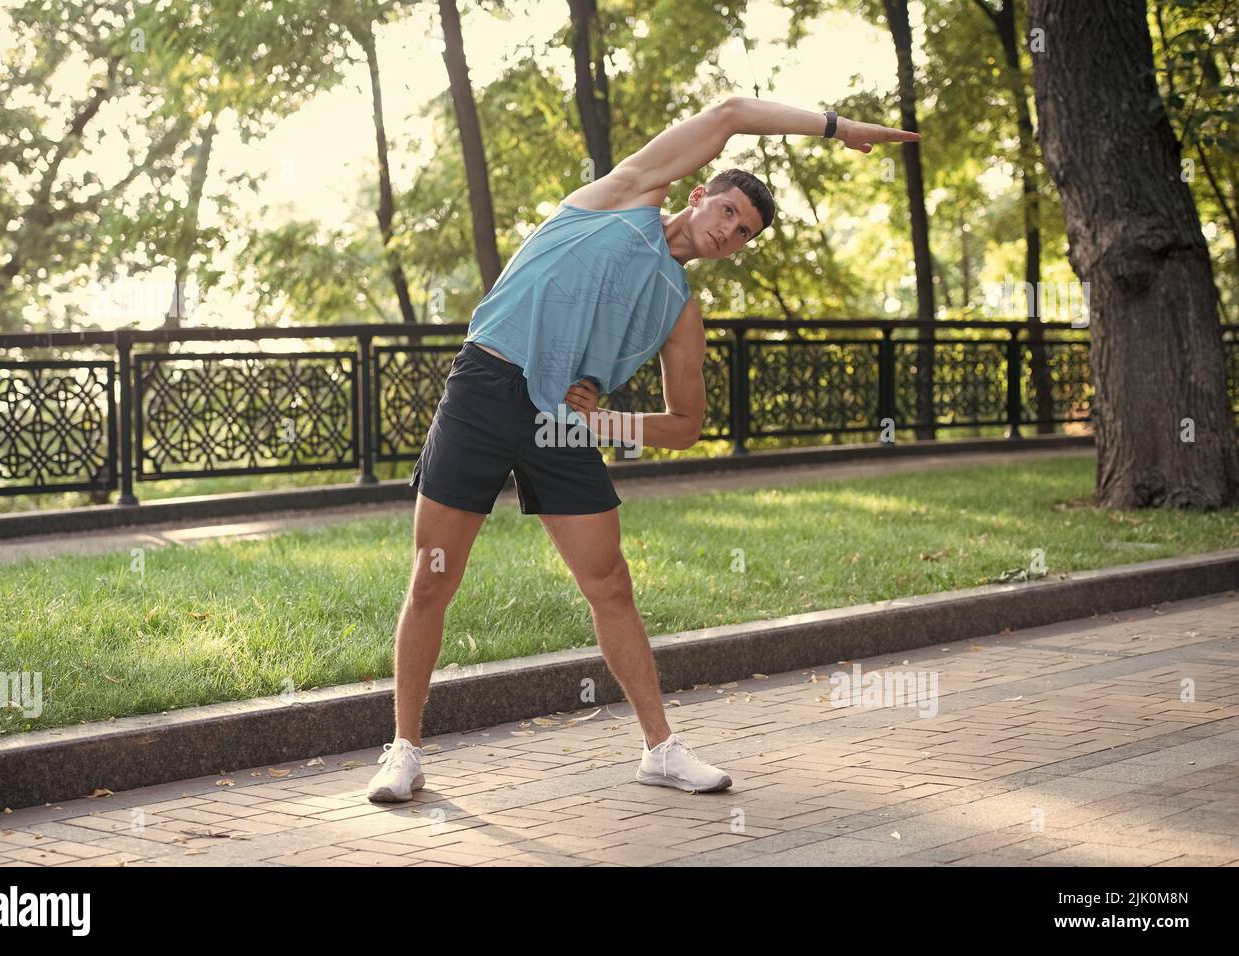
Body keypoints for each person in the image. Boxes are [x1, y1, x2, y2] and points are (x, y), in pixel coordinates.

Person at [367, 96, 918, 802]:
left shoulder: (679, 307)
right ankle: (404, 751)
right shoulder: (620, 196)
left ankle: (661, 749)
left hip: (561, 424)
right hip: (485, 386)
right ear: (698, 194)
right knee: (434, 576)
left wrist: (605, 425)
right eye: (726, 212)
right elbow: (731, 112)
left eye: (744, 231)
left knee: (611, 585)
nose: (730, 231)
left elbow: (686, 423)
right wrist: (839, 129)